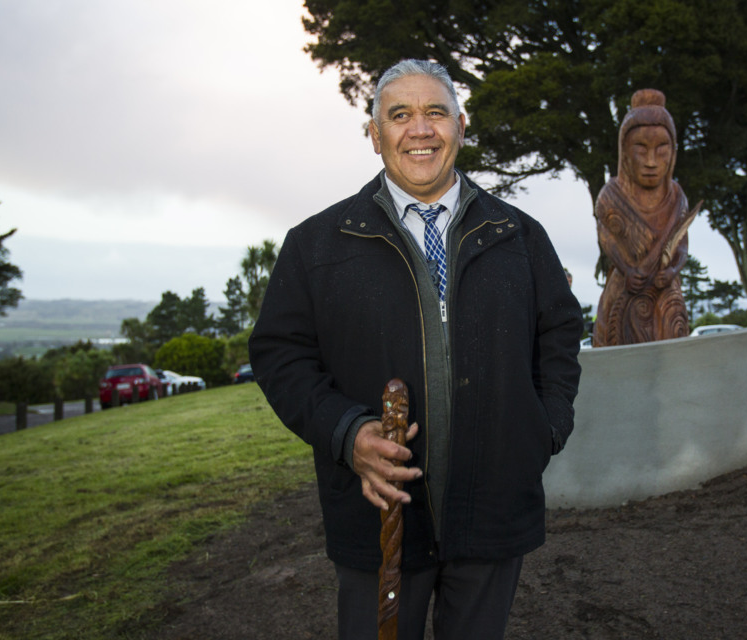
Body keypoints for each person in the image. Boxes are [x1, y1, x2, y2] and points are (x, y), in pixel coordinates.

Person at [249, 59, 583, 640]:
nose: (420, 129)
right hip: (377, 518)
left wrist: (545, 428)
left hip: (495, 513)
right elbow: (280, 356)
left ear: (461, 126)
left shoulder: (520, 236)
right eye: (400, 115)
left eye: (436, 113)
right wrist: (346, 434)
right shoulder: (316, 245)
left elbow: (559, 334)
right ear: (375, 135)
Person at [592, 88, 696, 346]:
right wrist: (627, 269)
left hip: (665, 299)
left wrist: (671, 271)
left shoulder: (676, 197)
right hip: (624, 292)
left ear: (673, 151)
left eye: (661, 149)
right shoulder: (611, 195)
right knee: (616, 350)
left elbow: (681, 244)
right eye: (640, 148)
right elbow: (607, 239)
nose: (651, 161)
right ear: (625, 151)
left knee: (671, 351)